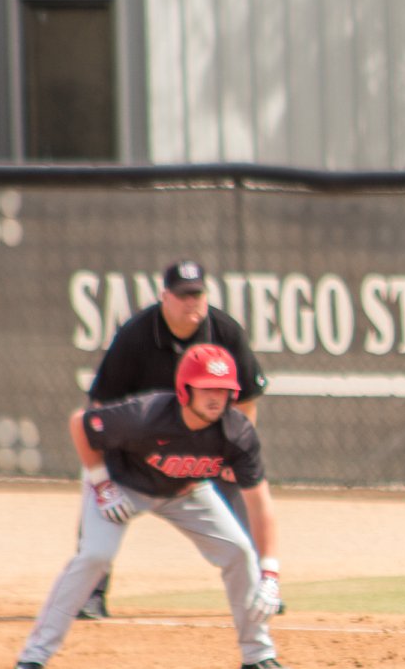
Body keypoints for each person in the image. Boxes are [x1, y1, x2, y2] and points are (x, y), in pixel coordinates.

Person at [11, 344, 291, 669]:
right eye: (207, 387)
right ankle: (33, 657)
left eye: (223, 389)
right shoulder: (145, 415)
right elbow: (80, 426)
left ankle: (257, 657)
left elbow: (260, 503)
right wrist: (101, 484)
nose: (216, 397)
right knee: (95, 556)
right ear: (185, 389)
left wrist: (271, 572)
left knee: (239, 552)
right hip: (121, 485)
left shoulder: (237, 432)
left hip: (187, 491)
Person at [76, 259, 268, 620]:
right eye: (182, 295)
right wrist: (102, 478)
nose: (190, 302)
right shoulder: (136, 335)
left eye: (197, 294)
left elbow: (245, 404)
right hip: (136, 444)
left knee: (239, 493)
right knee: (102, 507)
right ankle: (90, 595)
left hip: (206, 443)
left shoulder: (225, 332)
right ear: (165, 296)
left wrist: (228, 456)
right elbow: (100, 406)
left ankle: (259, 588)